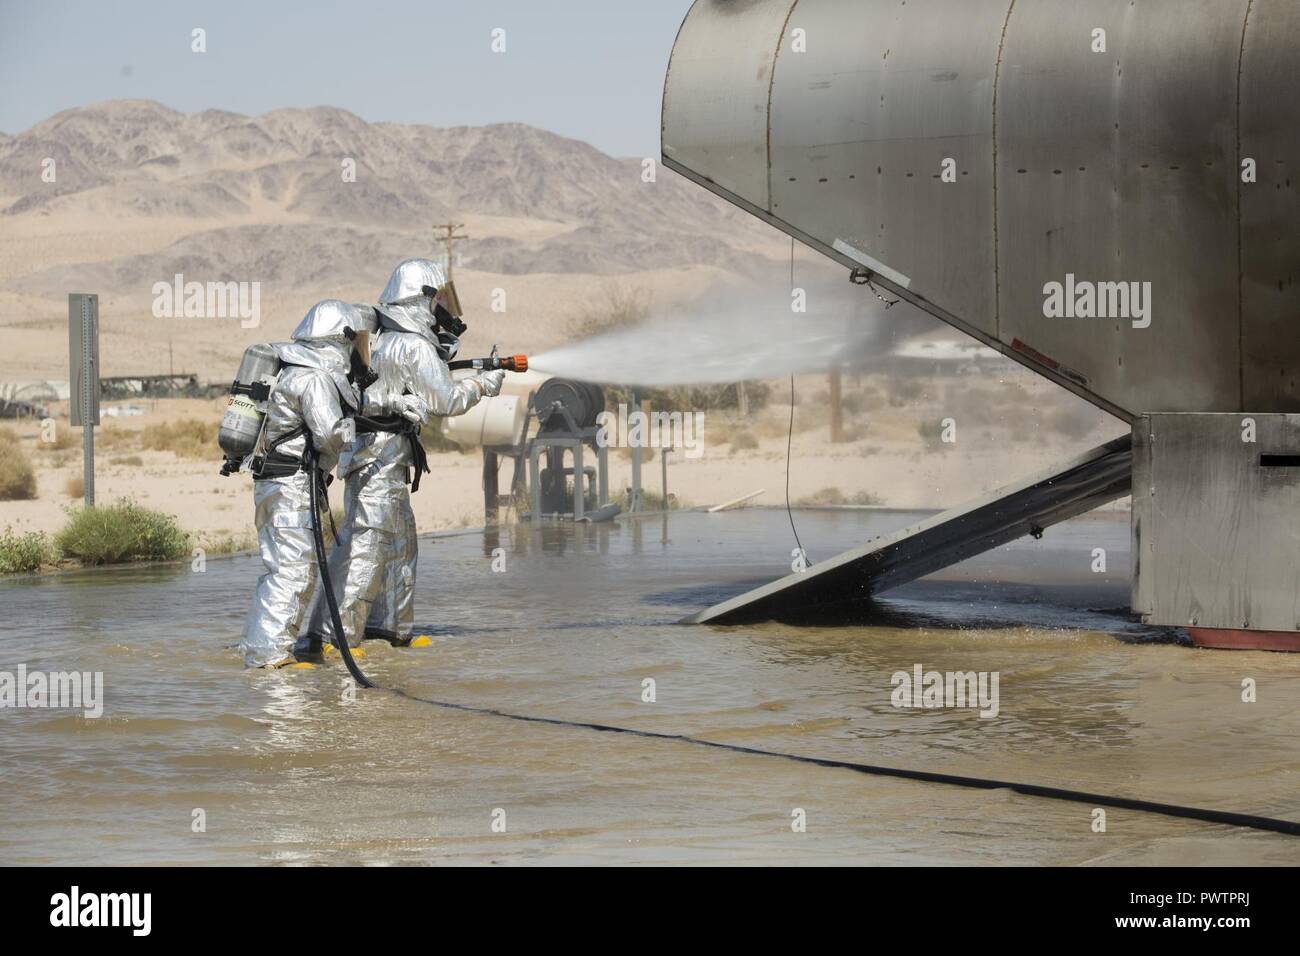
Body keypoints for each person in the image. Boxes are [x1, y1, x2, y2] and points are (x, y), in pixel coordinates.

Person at [302, 259, 504, 655]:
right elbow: (446, 400)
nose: (445, 310)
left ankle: (389, 629)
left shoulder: (390, 340)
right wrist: (484, 385)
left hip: (384, 462)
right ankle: (331, 636)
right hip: (377, 463)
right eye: (439, 300)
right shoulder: (413, 345)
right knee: (366, 547)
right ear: (420, 299)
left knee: (399, 547)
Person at [241, 299, 378, 669]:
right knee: (293, 570)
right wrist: (353, 428)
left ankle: (265, 649)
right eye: (355, 342)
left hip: (279, 483)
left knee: (285, 567)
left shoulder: (292, 370)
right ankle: (268, 657)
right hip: (292, 485)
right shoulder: (313, 377)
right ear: (340, 339)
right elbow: (328, 435)